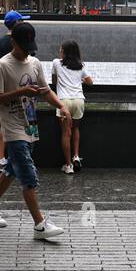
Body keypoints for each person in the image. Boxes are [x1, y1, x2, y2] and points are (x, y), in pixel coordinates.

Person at [0, 20, 67, 240]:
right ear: (13, 42)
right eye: (24, 46)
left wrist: (61, 106)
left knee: (12, 168)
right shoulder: (1, 65)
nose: (27, 51)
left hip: (30, 125)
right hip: (12, 127)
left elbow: (45, 91)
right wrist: (20, 92)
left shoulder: (35, 63)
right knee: (27, 174)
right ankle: (40, 224)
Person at [0, 11, 27, 171]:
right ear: (17, 23)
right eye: (22, 21)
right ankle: (13, 158)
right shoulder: (23, 40)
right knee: (20, 121)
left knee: (4, 122)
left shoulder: (0, 42)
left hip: (4, 88)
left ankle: (2, 158)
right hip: (20, 86)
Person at [51, 40, 93, 175]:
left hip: (64, 102)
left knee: (65, 133)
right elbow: (90, 82)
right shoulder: (81, 65)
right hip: (79, 100)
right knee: (75, 128)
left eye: (61, 50)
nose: (59, 52)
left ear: (65, 52)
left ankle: (68, 165)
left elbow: (54, 81)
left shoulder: (56, 63)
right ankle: (76, 156)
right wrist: (80, 80)